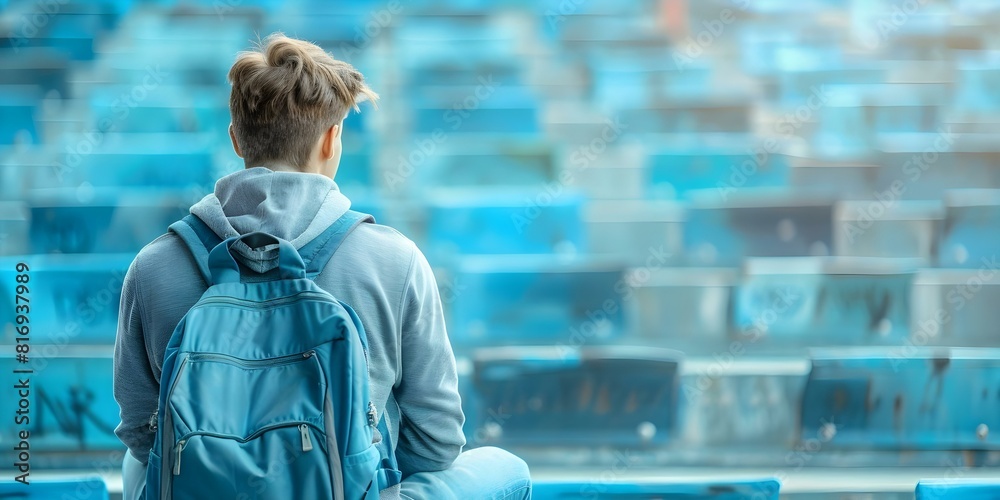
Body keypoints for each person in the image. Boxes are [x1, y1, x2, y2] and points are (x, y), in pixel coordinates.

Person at [113, 32, 531, 500]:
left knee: (136, 467)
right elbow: (436, 444)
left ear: (235, 139)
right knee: (505, 467)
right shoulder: (394, 258)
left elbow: (142, 433)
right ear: (332, 140)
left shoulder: (153, 266)